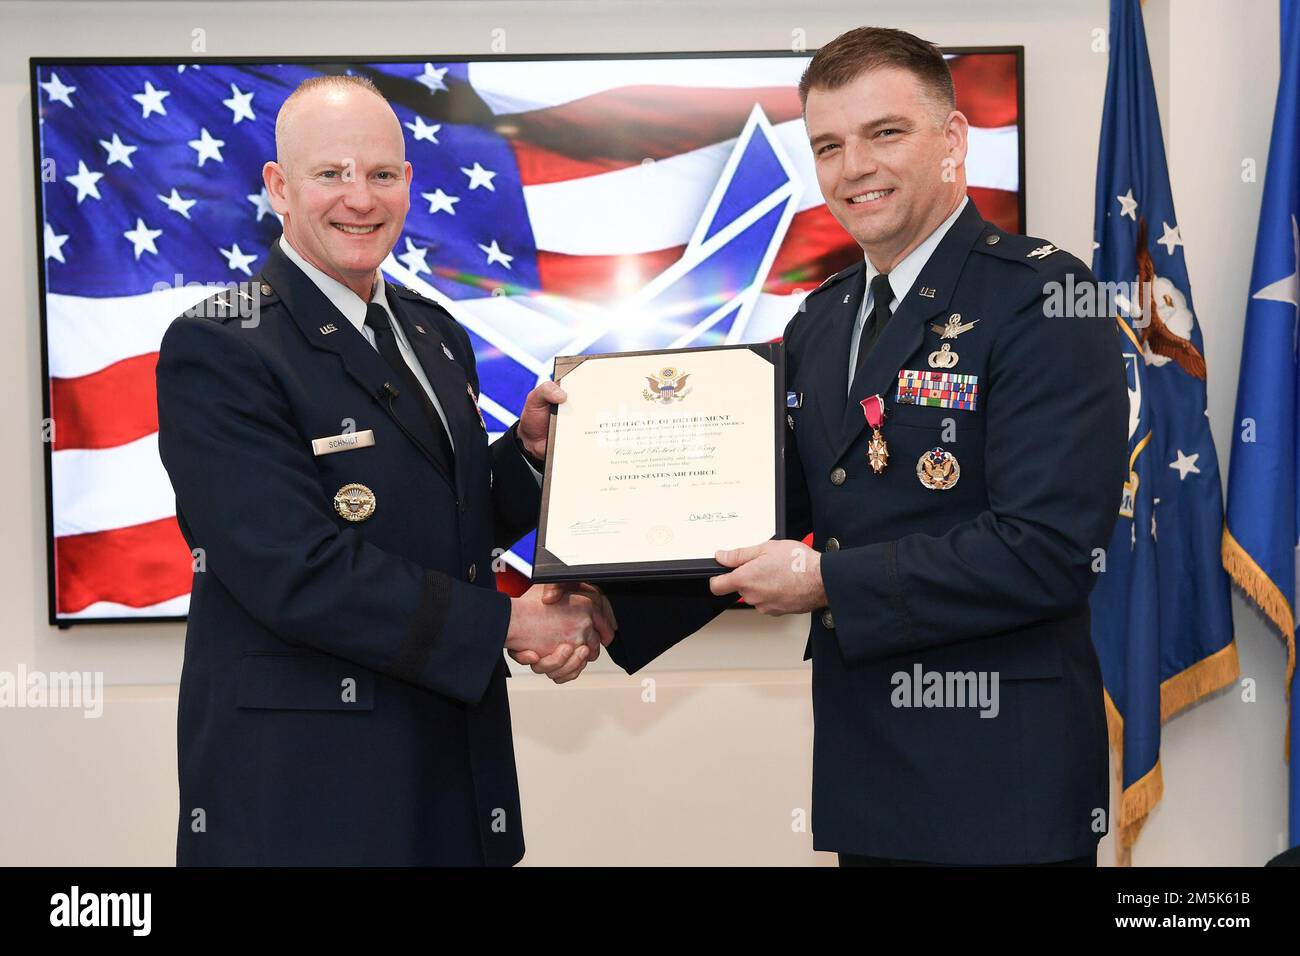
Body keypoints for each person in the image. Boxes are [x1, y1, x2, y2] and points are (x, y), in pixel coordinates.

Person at [600, 27, 1129, 866]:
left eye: (885, 133)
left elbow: (1049, 551)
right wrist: (602, 605)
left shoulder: (1043, 299)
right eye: (829, 146)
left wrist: (821, 581)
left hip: (1004, 784)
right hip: (867, 775)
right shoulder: (822, 319)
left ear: (952, 141)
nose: (855, 169)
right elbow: (765, 506)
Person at [156, 75, 610, 866]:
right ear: (279, 187)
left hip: (448, 760)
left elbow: (443, 519)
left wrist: (533, 458)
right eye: (331, 173)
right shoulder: (222, 345)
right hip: (306, 789)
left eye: (382, 174)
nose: (359, 199)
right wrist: (510, 622)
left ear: (407, 183)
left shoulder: (432, 334)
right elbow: (295, 568)